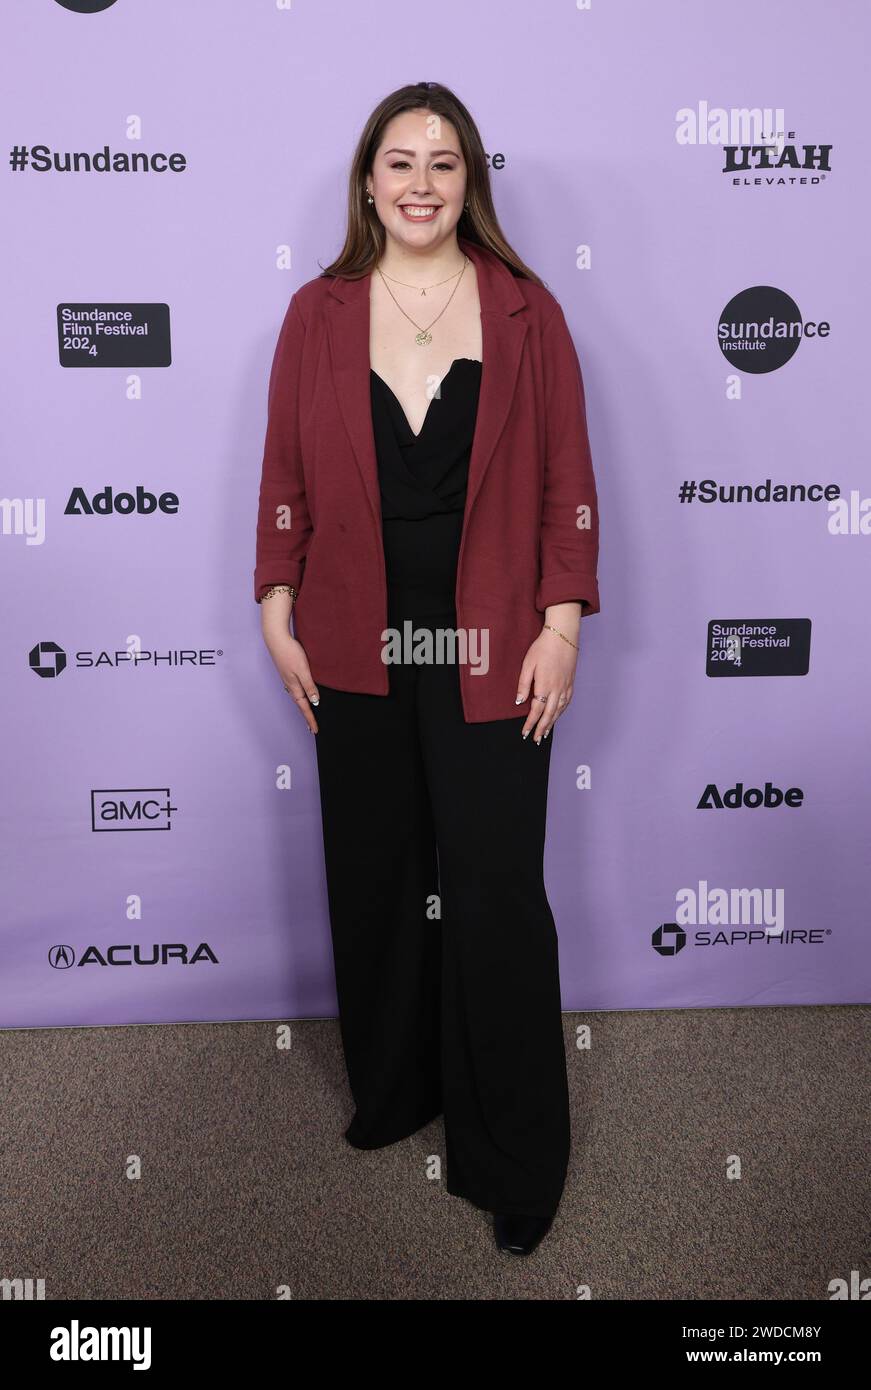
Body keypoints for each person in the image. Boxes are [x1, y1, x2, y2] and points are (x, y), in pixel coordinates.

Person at [254, 81, 600, 1257]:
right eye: (398, 161)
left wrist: (561, 622)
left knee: (495, 890)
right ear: (366, 181)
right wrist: (275, 600)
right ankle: (397, 1089)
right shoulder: (316, 314)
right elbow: (282, 475)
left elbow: (565, 480)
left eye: (442, 164)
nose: (418, 181)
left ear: (470, 183)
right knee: (378, 875)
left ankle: (514, 1154)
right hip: (353, 639)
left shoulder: (526, 312)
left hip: (491, 644)